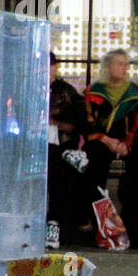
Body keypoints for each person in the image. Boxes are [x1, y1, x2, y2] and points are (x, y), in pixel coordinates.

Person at [83, 48, 138, 249]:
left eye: (126, 64)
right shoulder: (93, 92)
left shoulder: (135, 93)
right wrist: (106, 140)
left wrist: (128, 142)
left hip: (128, 141)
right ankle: (93, 221)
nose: (124, 67)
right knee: (92, 160)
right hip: (102, 140)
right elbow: (88, 122)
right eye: (119, 63)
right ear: (108, 67)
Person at [46, 53, 91, 248]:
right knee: (59, 161)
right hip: (40, 145)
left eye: (49, 67)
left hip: (61, 140)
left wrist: (56, 123)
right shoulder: (28, 89)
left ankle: (54, 222)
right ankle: (66, 155)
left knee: (62, 172)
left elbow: (79, 121)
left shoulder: (66, 92)